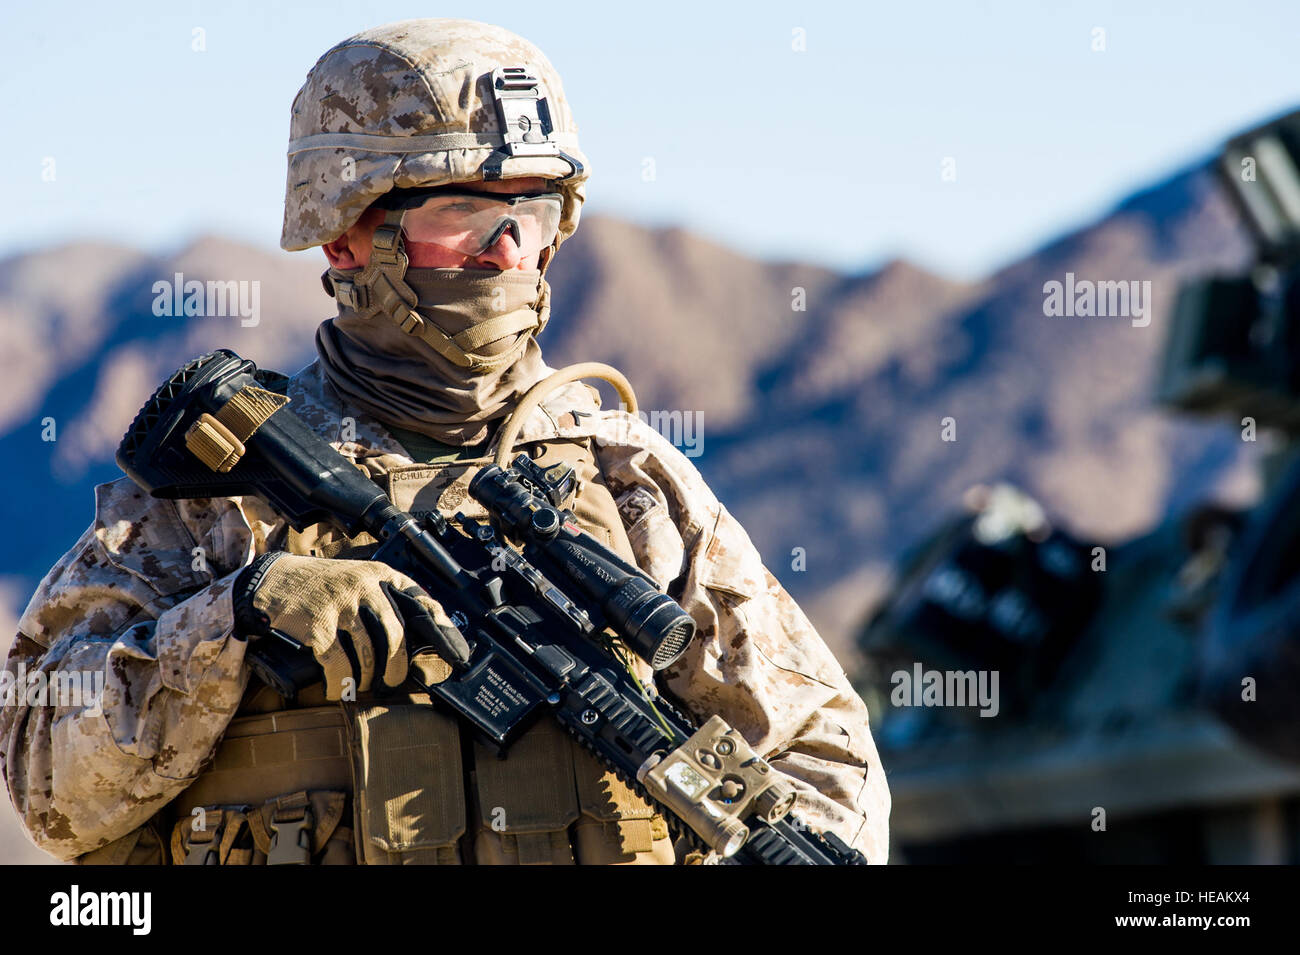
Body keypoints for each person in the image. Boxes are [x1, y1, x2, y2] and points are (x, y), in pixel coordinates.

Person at [0, 18, 890, 865]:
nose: (508, 251)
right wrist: (236, 618)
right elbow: (43, 780)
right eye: (466, 210)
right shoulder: (215, 490)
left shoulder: (627, 481)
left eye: (531, 213)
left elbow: (823, 760)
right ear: (346, 233)